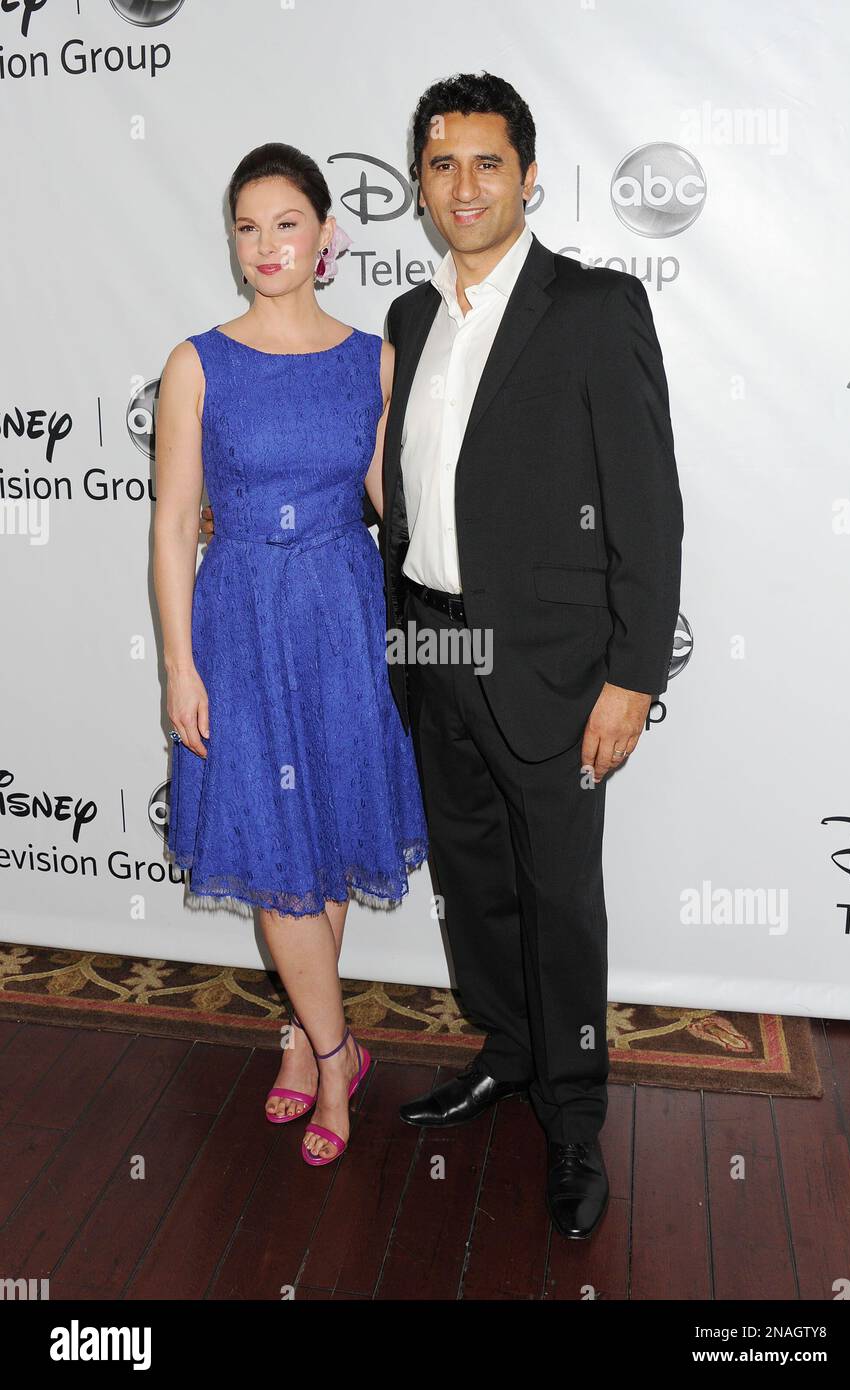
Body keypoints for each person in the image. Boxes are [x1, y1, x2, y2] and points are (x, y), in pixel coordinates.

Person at [380, 73, 684, 1239]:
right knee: (474, 884)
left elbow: (646, 506)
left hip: (555, 666)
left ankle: (572, 1120)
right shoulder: (412, 318)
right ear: (419, 181)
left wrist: (634, 673)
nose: (464, 184)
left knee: (561, 900)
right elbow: (406, 485)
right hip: (434, 638)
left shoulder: (594, 308)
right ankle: (504, 1054)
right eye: (443, 163)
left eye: (486, 163)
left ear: (528, 176)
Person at [154, 142, 428, 1167]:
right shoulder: (197, 361)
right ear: (232, 241)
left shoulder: (373, 360)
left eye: (284, 222)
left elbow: (392, 514)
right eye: (245, 225)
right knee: (277, 864)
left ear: (325, 235)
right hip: (238, 620)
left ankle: (304, 1044)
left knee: (328, 837)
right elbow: (177, 522)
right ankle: (335, 1047)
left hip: (341, 615)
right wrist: (181, 665)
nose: (265, 244)